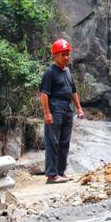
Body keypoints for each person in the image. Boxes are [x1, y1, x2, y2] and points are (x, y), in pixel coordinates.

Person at [40, 38, 85, 184]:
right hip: (55, 108)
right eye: (63, 54)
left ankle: (61, 172)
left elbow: (73, 91)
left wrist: (78, 108)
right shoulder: (50, 73)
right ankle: (52, 175)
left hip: (67, 108)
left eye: (67, 54)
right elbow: (44, 94)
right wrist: (47, 113)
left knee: (64, 141)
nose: (66, 57)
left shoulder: (67, 72)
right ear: (55, 55)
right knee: (53, 141)